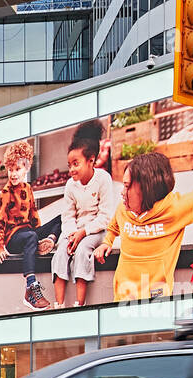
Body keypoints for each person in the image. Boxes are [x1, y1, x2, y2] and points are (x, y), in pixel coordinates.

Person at [94, 151, 193, 301]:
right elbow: (116, 223)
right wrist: (108, 241)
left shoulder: (175, 210)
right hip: (122, 299)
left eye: (127, 186)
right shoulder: (124, 209)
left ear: (147, 188)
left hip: (156, 301)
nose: (122, 193)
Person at [51, 120, 115, 309]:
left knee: (82, 251)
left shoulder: (103, 179)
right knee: (60, 252)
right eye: (69, 164)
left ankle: (80, 304)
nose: (71, 169)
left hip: (96, 230)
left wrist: (83, 233)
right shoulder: (70, 185)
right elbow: (68, 215)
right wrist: (71, 234)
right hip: (74, 230)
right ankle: (59, 305)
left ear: (91, 160)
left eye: (76, 164)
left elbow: (105, 217)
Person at [0, 139, 56, 311]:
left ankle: (48, 241)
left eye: (17, 169)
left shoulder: (27, 188)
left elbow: (33, 213)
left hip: (29, 232)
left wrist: (42, 232)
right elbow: (0, 221)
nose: (13, 174)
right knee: (31, 236)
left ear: (26, 169)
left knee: (60, 219)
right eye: (10, 170)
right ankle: (30, 287)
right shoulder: (6, 193)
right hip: (13, 238)